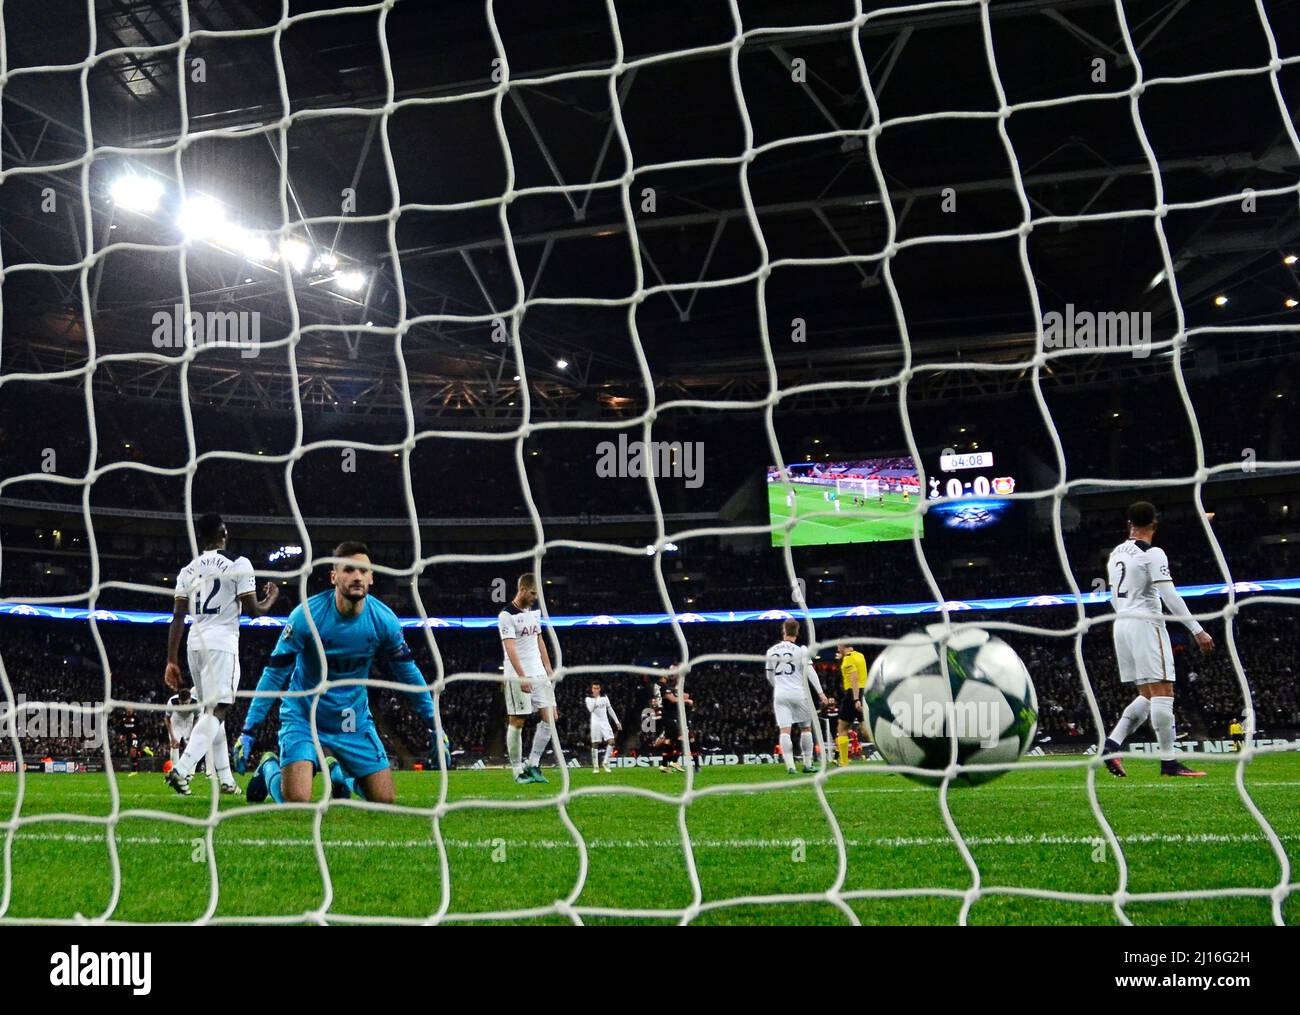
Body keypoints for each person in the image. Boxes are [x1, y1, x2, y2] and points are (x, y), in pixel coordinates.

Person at [238, 541, 436, 805]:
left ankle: (339, 772)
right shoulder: (306, 616)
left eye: (363, 571)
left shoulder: (384, 620)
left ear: (372, 578)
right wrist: (249, 729)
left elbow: (409, 675)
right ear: (334, 576)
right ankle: (269, 769)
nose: (357, 577)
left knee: (384, 800)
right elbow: (274, 674)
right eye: (349, 570)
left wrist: (435, 724)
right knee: (297, 801)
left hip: (351, 719)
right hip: (304, 714)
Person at [164, 513, 278, 796]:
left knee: (212, 713)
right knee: (218, 710)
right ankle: (183, 769)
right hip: (222, 642)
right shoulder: (239, 563)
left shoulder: (187, 570)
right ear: (224, 532)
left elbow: (177, 616)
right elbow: (254, 611)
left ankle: (226, 779)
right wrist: (272, 597)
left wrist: (171, 659)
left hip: (194, 644)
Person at [1101, 501, 1214, 778]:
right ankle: (1169, 762)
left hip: (1122, 624)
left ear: (1129, 524)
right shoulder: (1153, 553)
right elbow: (1170, 596)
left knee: (1148, 695)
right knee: (1164, 692)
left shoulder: (1116, 553)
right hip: (1146, 623)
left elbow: (1117, 594)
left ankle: (1111, 745)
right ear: (1154, 524)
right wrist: (1197, 630)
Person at [765, 619, 828, 775]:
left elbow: (769, 676)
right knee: (805, 728)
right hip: (799, 693)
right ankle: (807, 764)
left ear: (783, 631)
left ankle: (791, 766)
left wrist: (779, 686)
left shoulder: (771, 651)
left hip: (780, 694)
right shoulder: (801, 650)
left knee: (784, 730)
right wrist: (821, 693)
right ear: (797, 632)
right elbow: (810, 672)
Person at [585, 681, 621, 773]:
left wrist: (617, 722)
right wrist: (596, 699)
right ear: (592, 689)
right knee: (595, 744)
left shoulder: (605, 698)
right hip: (595, 724)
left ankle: (605, 762)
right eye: (594, 688)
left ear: (600, 689)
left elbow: (610, 709)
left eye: (597, 688)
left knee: (612, 742)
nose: (596, 690)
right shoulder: (588, 699)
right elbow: (590, 709)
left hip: (605, 723)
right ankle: (596, 767)